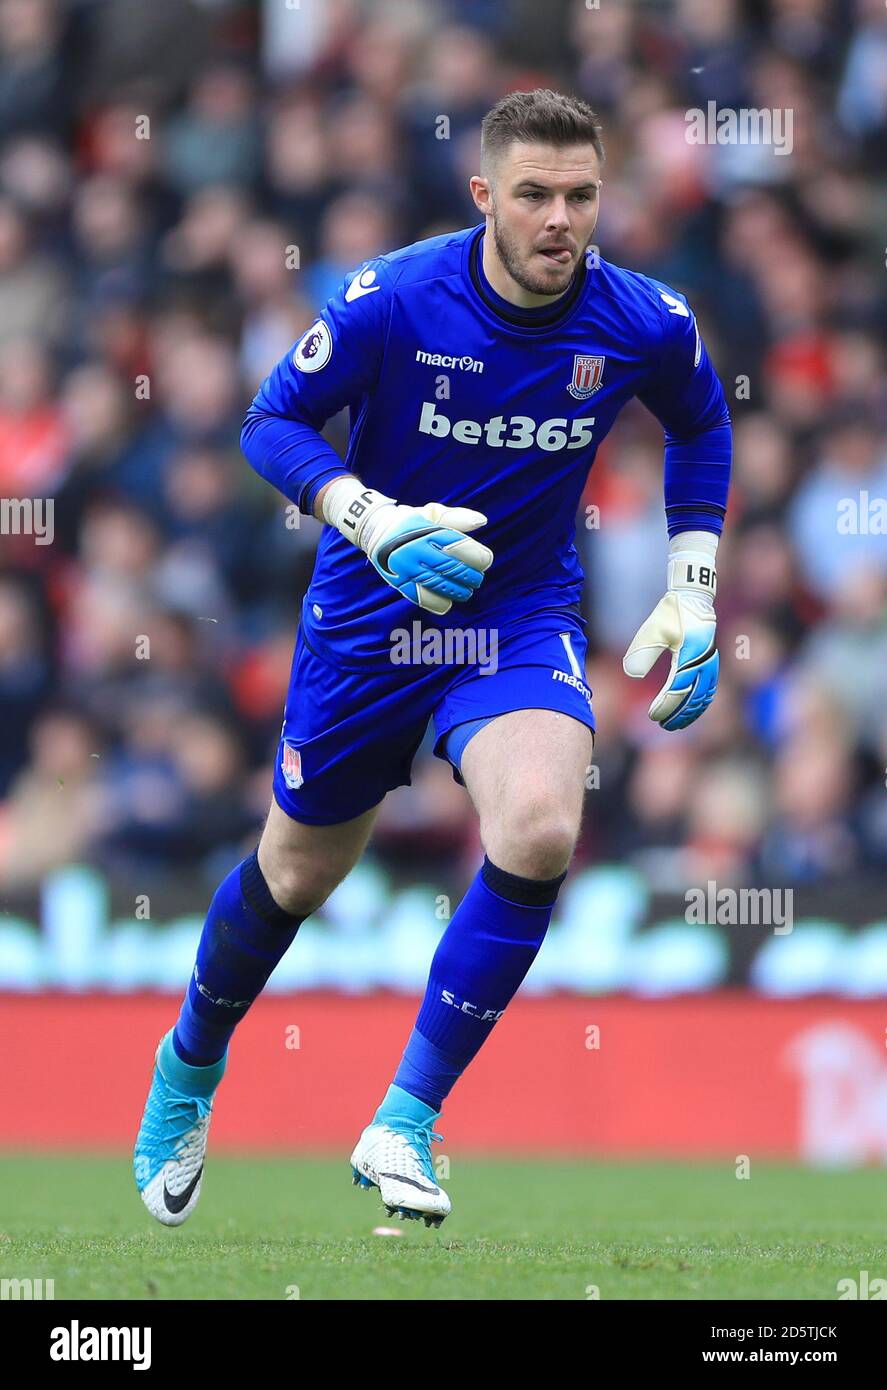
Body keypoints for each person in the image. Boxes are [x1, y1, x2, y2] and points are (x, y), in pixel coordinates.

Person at [134, 88, 731, 1228]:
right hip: (370, 616)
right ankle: (189, 1066)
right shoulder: (394, 298)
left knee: (544, 826)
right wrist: (368, 516)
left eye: (580, 195)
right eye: (534, 196)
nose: (561, 219)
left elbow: (702, 424)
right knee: (298, 876)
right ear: (483, 200)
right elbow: (270, 420)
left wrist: (692, 580)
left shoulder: (643, 319)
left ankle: (404, 1118)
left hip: (514, 615)